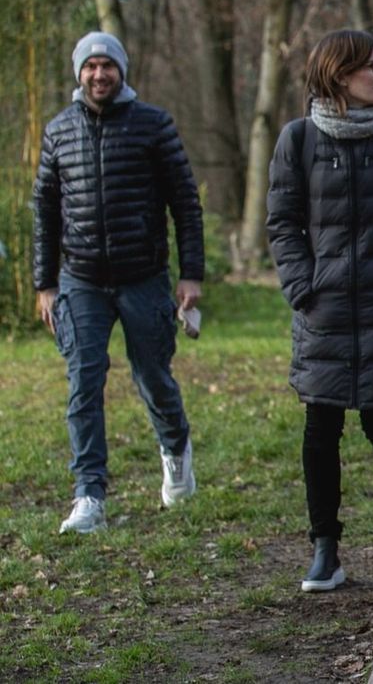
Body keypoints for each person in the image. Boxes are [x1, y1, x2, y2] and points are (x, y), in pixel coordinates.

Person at [266, 29, 373, 593]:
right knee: (321, 428)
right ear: (340, 75)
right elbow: (283, 224)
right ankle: (325, 551)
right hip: (324, 309)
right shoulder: (297, 141)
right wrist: (302, 285)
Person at [33, 31, 205, 535]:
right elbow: (43, 211)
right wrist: (45, 285)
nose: (99, 75)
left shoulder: (153, 125)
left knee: (152, 376)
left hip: (143, 277)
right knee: (83, 380)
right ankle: (89, 494)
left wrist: (191, 274)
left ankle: (175, 450)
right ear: (78, 73)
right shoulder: (59, 130)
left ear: (122, 71)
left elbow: (185, 204)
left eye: (107, 65)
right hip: (80, 279)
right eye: (90, 67)